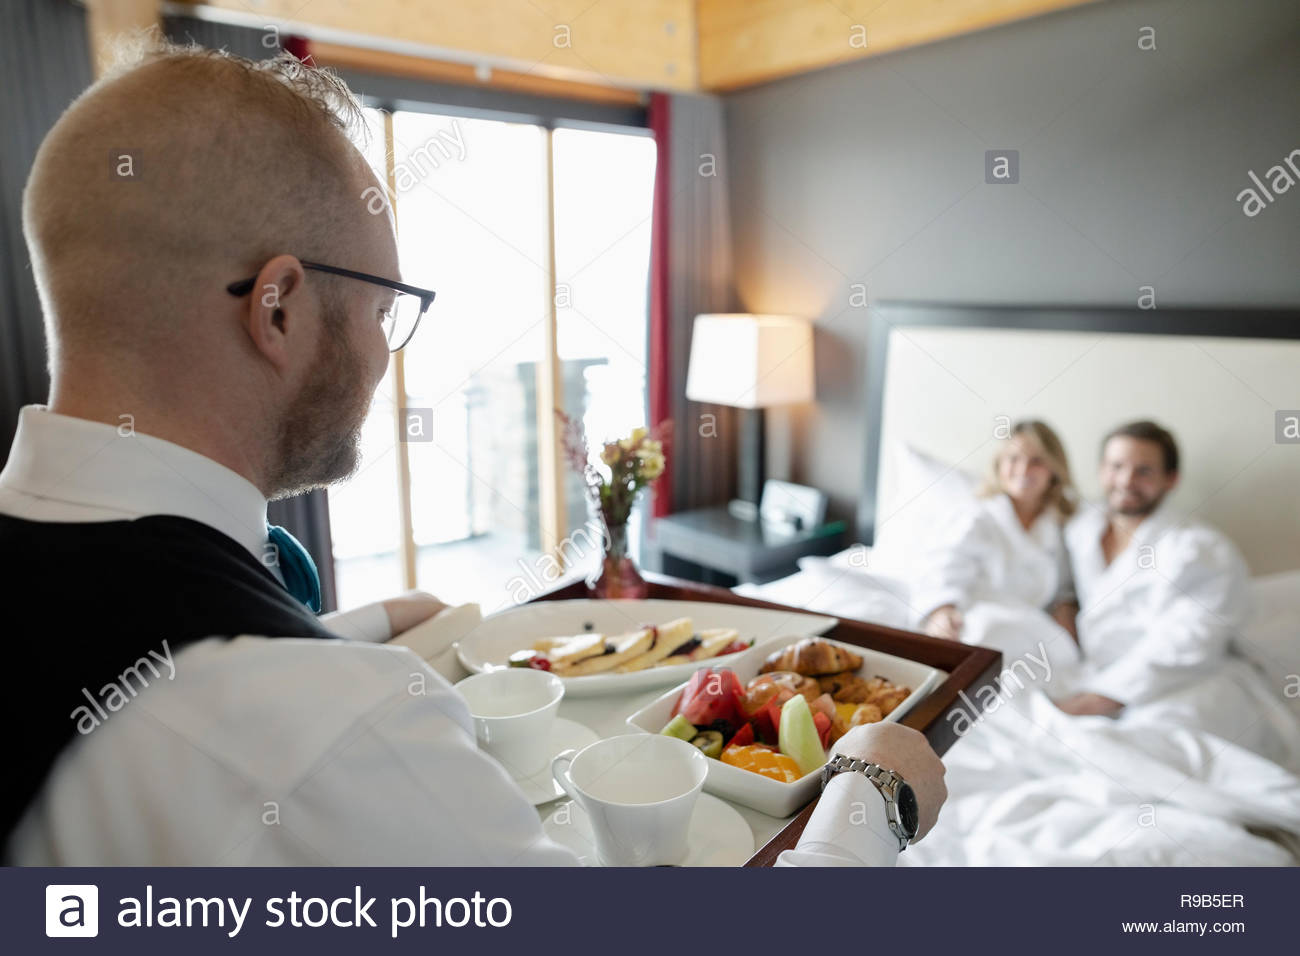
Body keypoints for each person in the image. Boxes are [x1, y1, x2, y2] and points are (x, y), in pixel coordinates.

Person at [0, 42, 945, 866]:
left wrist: (355, 627)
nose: (383, 352)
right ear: (277, 307)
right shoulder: (344, 729)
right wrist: (868, 800)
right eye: (384, 306)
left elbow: (130, 657)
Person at [1055, 421, 1249, 716]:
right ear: (1101, 470)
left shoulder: (1202, 550)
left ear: (1170, 479)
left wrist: (1102, 697)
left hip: (1175, 686)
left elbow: (1191, 638)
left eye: (1143, 471)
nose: (1126, 480)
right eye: (1116, 466)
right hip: (1089, 673)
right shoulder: (1080, 527)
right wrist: (1065, 606)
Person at [916, 421, 1079, 642]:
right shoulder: (976, 516)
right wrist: (941, 611)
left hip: (1035, 631)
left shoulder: (1061, 526)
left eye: (1037, 461)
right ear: (999, 464)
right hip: (978, 624)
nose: (1023, 469)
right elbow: (944, 570)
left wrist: (1066, 612)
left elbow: (1065, 589)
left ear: (1054, 469)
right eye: (1013, 459)